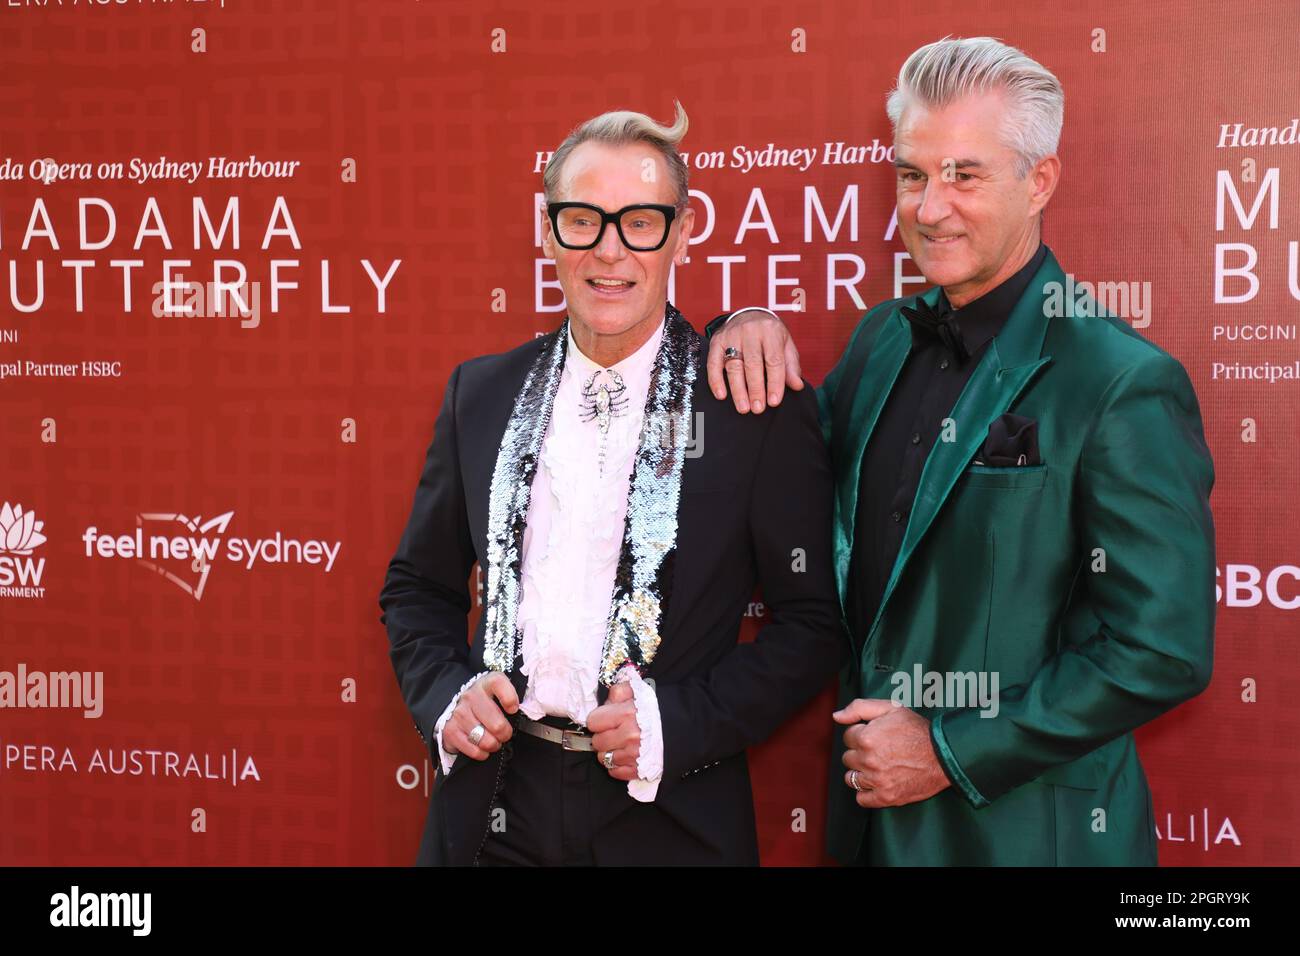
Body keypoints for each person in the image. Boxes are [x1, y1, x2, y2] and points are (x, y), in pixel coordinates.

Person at [704, 37, 1215, 865]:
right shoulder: (878, 341)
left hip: (1025, 838)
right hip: (870, 828)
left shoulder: (1121, 381)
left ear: (1039, 180)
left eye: (964, 175)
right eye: (913, 174)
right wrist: (740, 324)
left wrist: (947, 750)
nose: (929, 207)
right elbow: (793, 495)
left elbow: (1160, 650)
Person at [379, 103, 845, 866]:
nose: (610, 253)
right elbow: (416, 588)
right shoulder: (481, 394)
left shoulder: (747, 406)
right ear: (546, 228)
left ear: (683, 230)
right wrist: (444, 698)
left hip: (669, 818)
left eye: (640, 222)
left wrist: (681, 723)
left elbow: (812, 625)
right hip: (492, 811)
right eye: (583, 220)